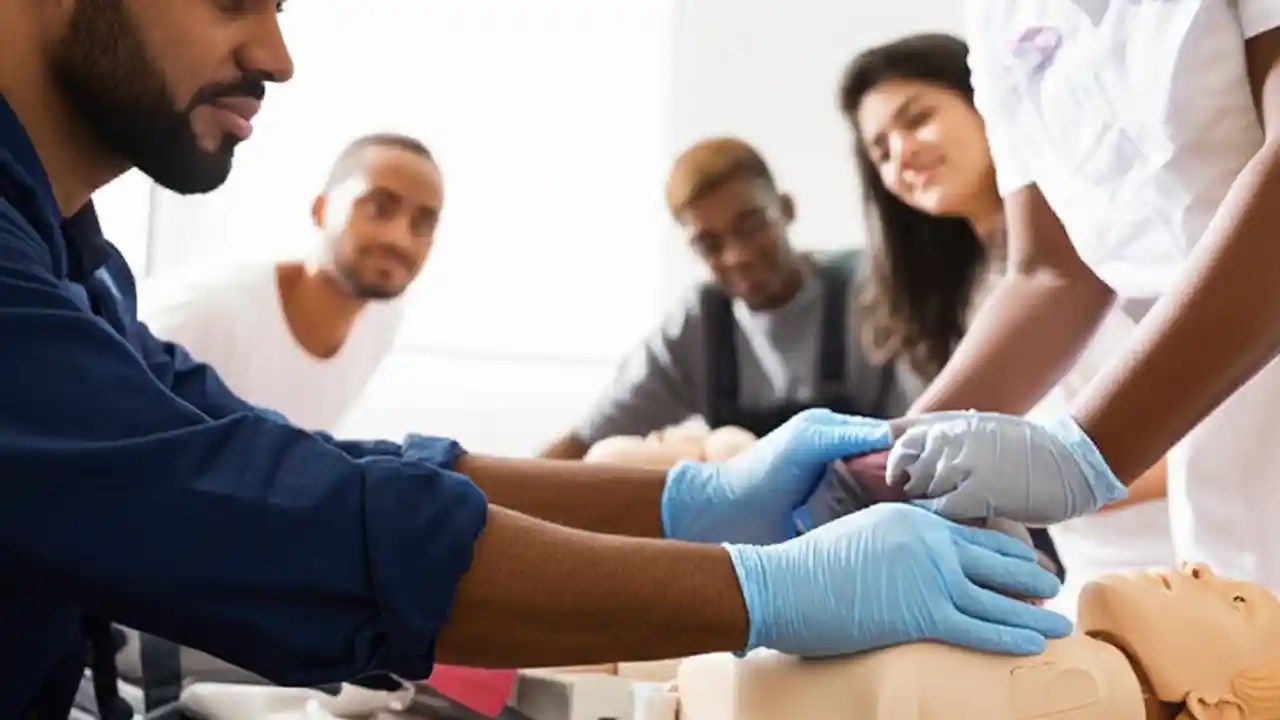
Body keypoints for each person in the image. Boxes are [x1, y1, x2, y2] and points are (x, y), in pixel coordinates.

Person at [0, 2, 1070, 718]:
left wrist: (689, 504)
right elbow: (248, 510)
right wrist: (762, 588)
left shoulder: (74, 264)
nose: (278, 55)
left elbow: (283, 458)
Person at [873, 3, 1280, 592]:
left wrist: (1082, 455)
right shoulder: (997, 18)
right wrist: (880, 462)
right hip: (1221, 456)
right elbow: (1051, 271)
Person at [838, 33, 1174, 615]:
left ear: (988, 100)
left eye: (917, 119)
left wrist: (1066, 479)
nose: (902, 155)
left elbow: (1224, 422)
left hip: (1202, 569)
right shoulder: (975, 294)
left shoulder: (1107, 243)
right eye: (881, 150)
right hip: (1098, 593)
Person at [541, 137, 911, 459]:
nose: (737, 256)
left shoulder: (871, 293)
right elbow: (586, 441)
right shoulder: (700, 324)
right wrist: (491, 501)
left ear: (786, 209)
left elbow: (929, 425)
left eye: (751, 225)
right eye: (709, 244)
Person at [139, 133, 439, 431]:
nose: (400, 239)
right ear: (320, 210)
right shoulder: (204, 317)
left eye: (423, 223)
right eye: (378, 208)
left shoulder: (382, 316)